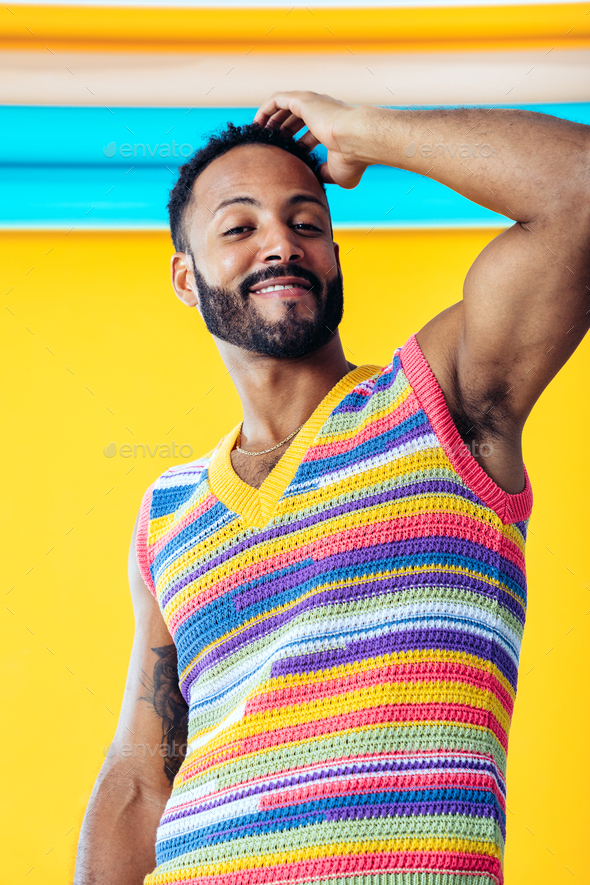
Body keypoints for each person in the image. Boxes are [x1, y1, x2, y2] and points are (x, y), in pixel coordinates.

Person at [75, 91, 590, 885]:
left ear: (336, 255)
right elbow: (141, 779)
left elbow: (579, 189)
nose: (281, 243)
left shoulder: (441, 401)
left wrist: (364, 132)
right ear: (186, 277)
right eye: (240, 227)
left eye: (306, 221)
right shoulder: (168, 513)